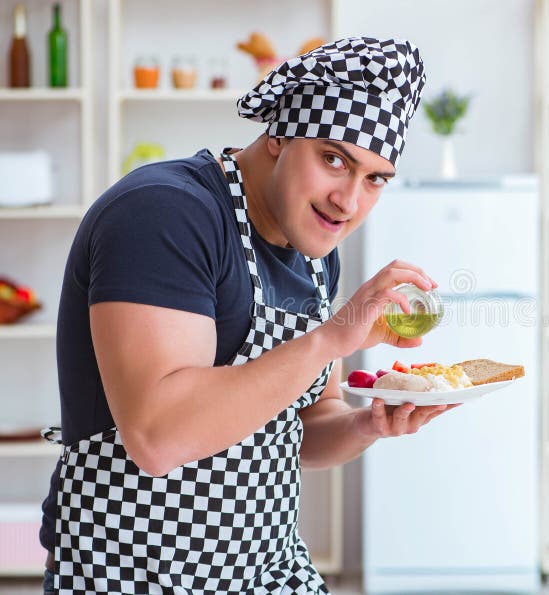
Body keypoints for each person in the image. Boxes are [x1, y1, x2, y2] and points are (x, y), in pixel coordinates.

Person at [39, 36, 454, 594]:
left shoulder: (315, 253)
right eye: (335, 160)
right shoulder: (165, 214)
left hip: (267, 571)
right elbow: (157, 437)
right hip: (132, 573)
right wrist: (333, 337)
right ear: (280, 135)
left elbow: (302, 427)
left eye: (374, 179)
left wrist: (368, 423)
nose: (348, 202)